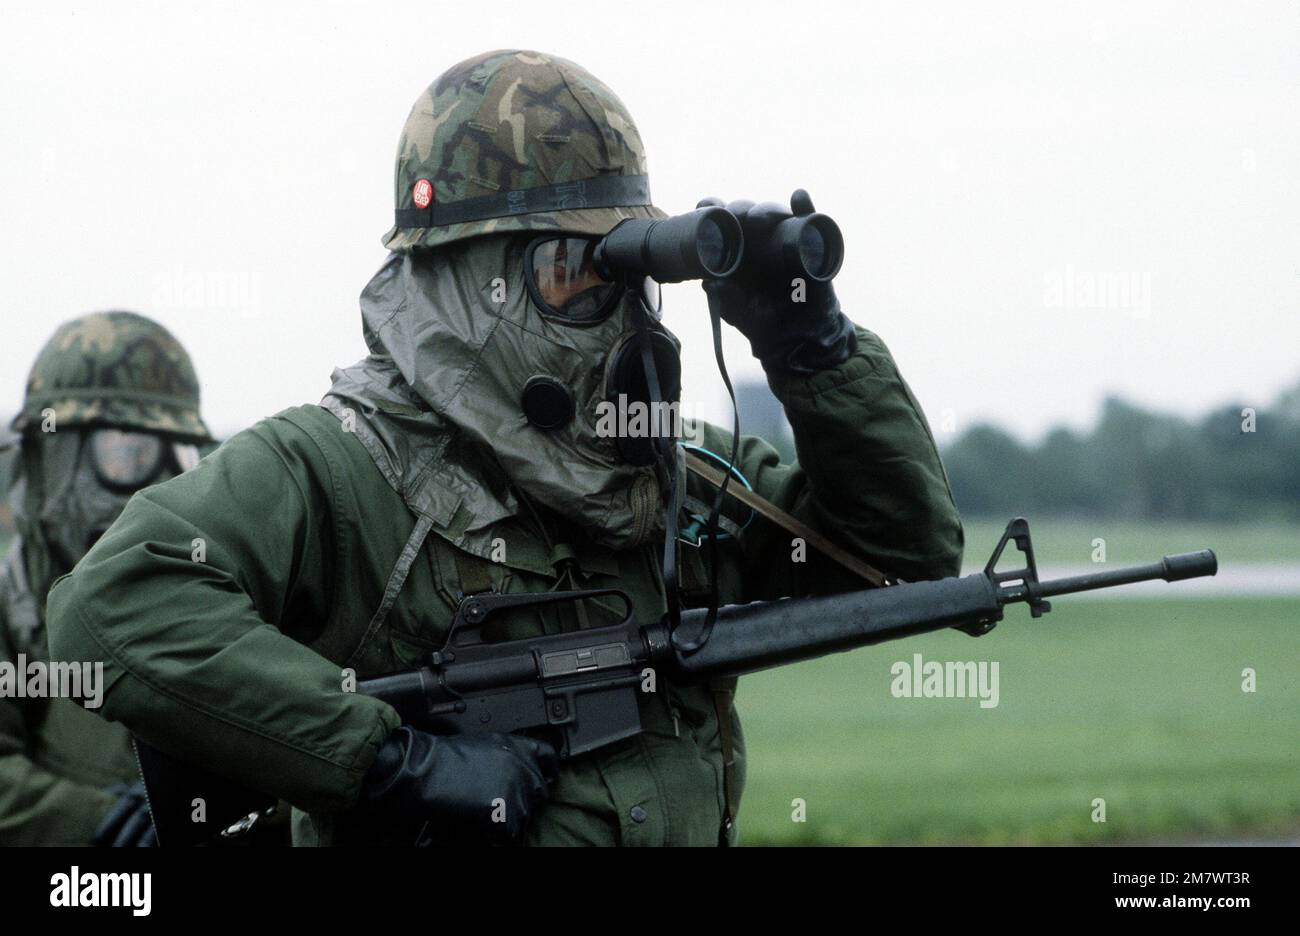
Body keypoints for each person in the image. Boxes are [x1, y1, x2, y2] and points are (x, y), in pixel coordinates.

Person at [46, 50, 963, 846]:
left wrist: (814, 349)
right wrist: (393, 763)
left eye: (627, 272)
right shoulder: (335, 469)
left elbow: (899, 562)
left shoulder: (665, 474)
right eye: (566, 274)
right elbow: (112, 607)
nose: (615, 319)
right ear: (460, 286)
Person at [0, 311, 212, 845]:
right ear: (55, 456)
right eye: (123, 451)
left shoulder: (212, 586)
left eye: (167, 453)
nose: (152, 478)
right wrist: (90, 821)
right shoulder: (12, 597)